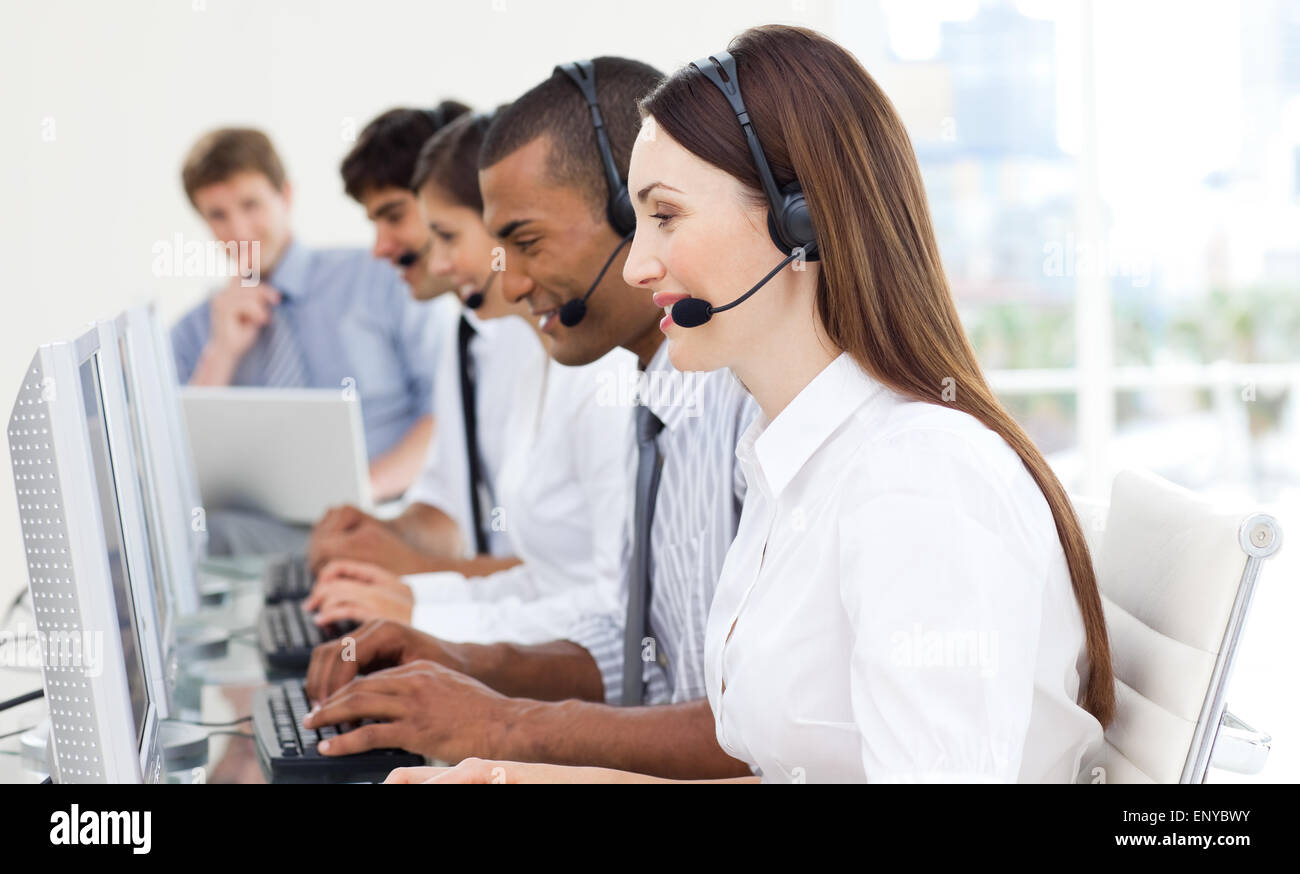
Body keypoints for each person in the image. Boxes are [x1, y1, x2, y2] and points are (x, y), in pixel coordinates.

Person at [388, 24, 1116, 784]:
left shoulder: (919, 476)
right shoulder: (788, 466)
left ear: (799, 218)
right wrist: (518, 777)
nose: (638, 266)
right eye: (637, 224)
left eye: (665, 217)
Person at [300, 57, 757, 780]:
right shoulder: (654, 396)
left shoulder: (734, 406)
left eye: (526, 241)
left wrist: (501, 725)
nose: (505, 280)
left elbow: (746, 732)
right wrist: (456, 658)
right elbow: (637, 645)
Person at [305, 109, 637, 645]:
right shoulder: (532, 363)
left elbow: (615, 613)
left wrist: (419, 612)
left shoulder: (601, 380)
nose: (439, 262)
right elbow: (541, 576)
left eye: (447, 236)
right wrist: (407, 597)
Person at [170, 127, 444, 554]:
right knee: (192, 541)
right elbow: (178, 465)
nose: (239, 228)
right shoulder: (196, 330)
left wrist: (362, 491)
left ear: (286, 196)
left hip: (388, 513)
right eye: (217, 215)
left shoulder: (382, 277)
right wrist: (222, 352)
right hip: (267, 535)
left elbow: (444, 412)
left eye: (250, 205)